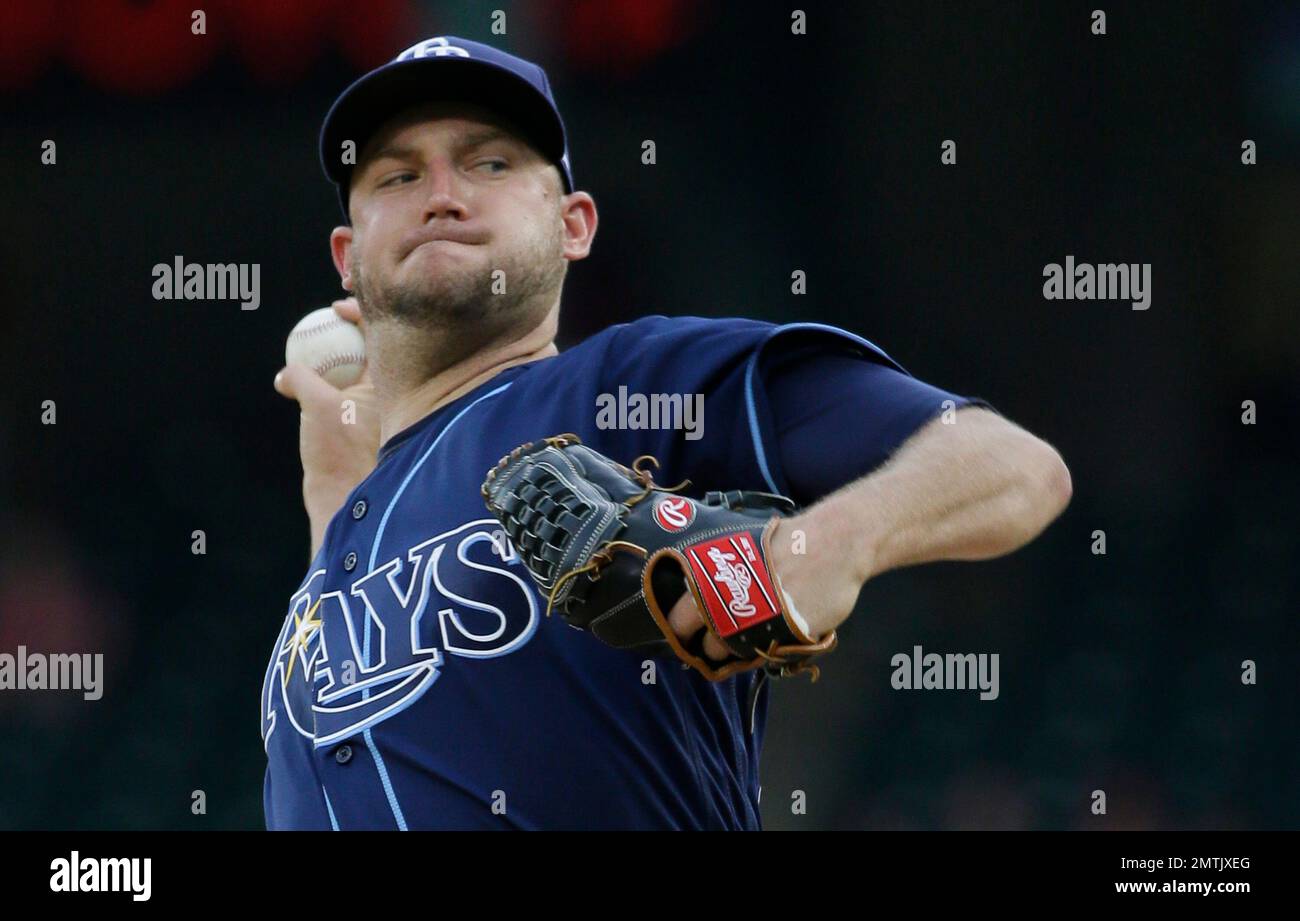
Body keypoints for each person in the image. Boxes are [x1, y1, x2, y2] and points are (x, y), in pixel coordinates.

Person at [264, 36, 1071, 830]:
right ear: (347, 255)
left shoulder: (629, 382)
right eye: (400, 176)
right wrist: (335, 496)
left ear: (575, 225)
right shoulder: (341, 532)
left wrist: (822, 546)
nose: (441, 193)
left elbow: (1012, 466)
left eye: (490, 163)